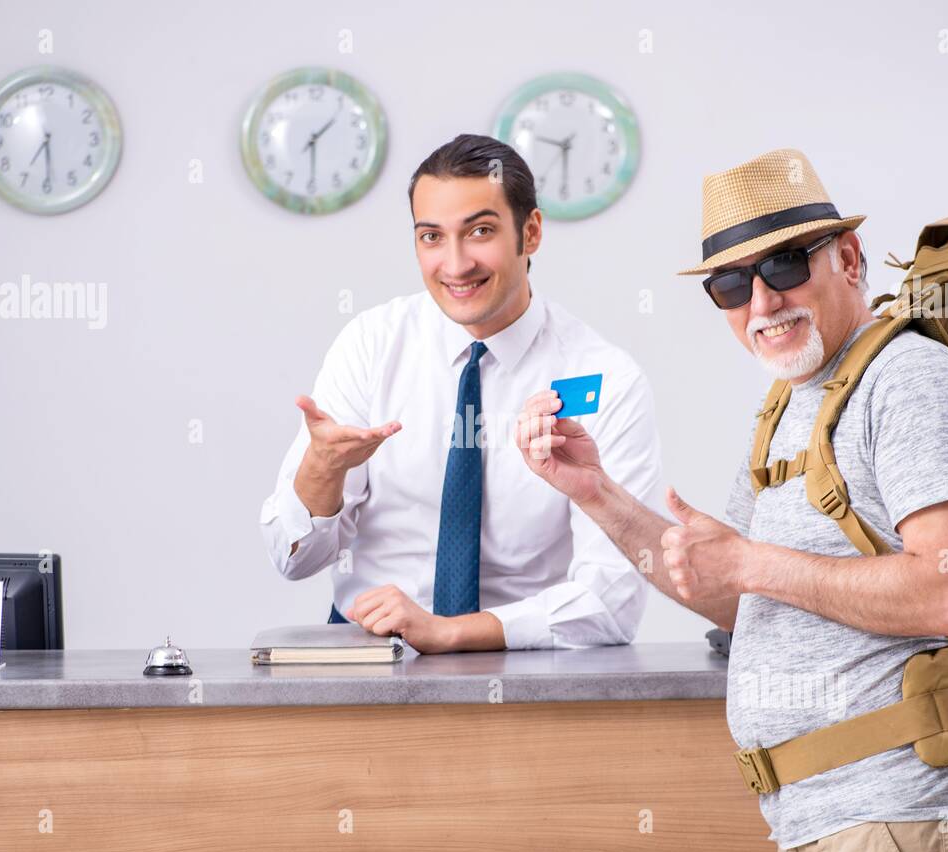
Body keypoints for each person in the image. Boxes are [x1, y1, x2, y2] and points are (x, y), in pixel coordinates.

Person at [515, 147, 948, 852]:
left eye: (783, 267)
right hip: (825, 825)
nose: (761, 303)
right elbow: (733, 595)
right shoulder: (790, 402)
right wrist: (593, 489)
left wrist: (752, 561)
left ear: (847, 257)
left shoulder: (908, 379)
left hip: (902, 822)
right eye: (729, 285)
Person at [259, 134, 662, 653]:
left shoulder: (605, 377)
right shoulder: (371, 346)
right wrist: (323, 467)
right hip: (370, 667)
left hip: (528, 674)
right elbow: (293, 560)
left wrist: (449, 633)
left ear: (531, 232)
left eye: (480, 231)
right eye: (431, 237)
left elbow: (612, 604)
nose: (455, 264)